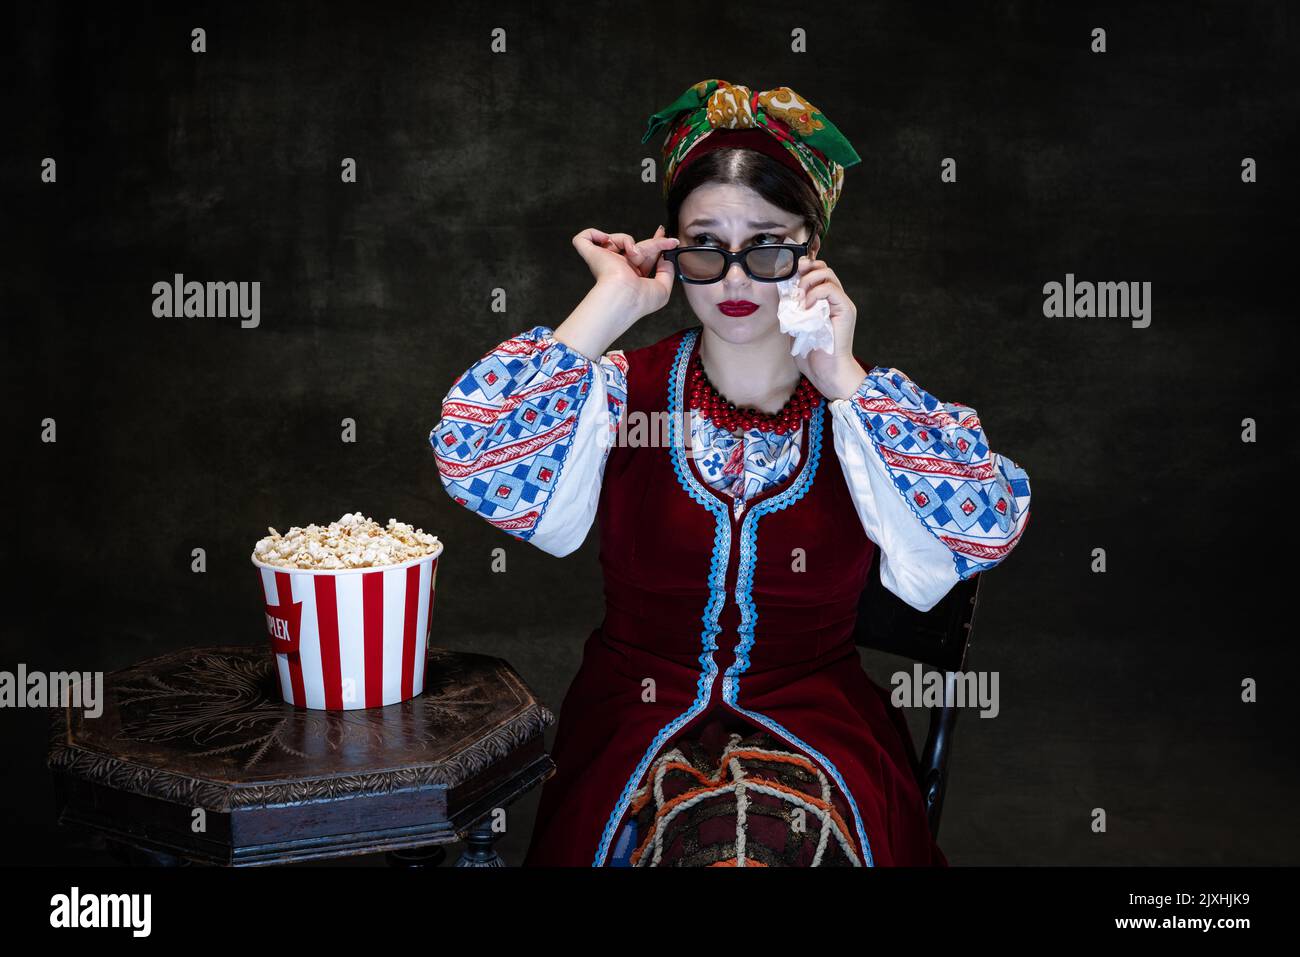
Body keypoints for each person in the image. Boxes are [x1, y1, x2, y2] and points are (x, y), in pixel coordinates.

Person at [430, 78, 1032, 867]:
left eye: (769, 245)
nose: (738, 278)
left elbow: (987, 522)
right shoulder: (620, 394)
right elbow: (471, 451)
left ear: (813, 254)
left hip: (817, 727)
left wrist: (844, 374)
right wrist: (610, 304)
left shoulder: (864, 416)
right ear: (674, 254)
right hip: (631, 726)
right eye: (707, 246)